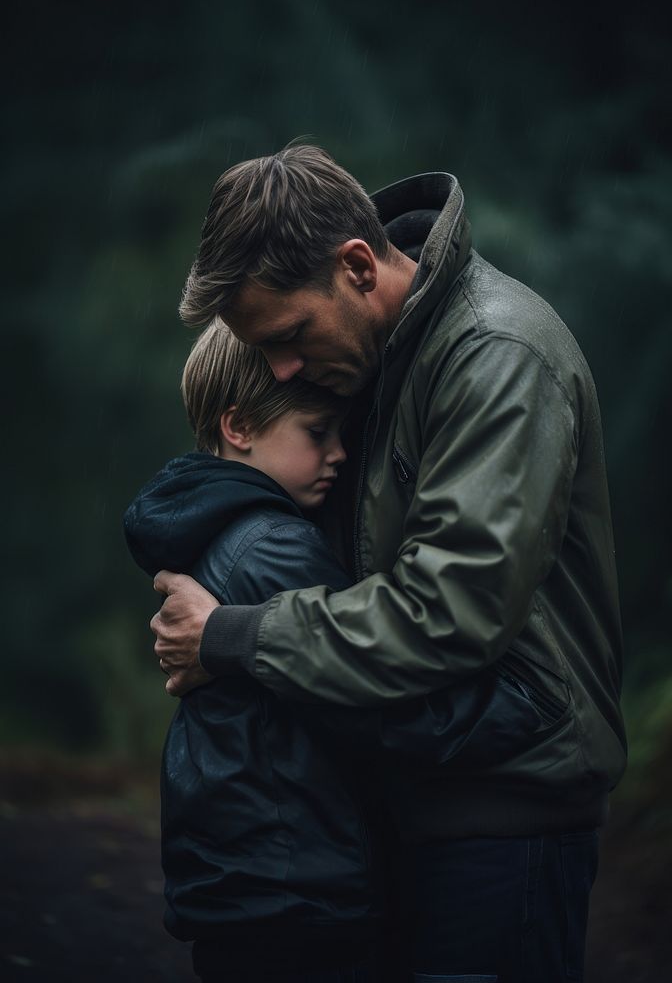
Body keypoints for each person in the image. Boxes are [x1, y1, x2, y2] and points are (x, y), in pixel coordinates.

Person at [150, 144, 627, 981]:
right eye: (265, 355)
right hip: (410, 809)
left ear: (359, 265)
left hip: (506, 819)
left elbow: (447, 612)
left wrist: (229, 638)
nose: (284, 371)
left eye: (290, 336)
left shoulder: (494, 354)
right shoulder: (374, 363)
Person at [126, 318, 550, 982]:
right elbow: (363, 695)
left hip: (251, 875)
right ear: (238, 427)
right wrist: (516, 712)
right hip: (296, 882)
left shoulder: (211, 532)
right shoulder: (274, 547)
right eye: (317, 433)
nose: (340, 456)